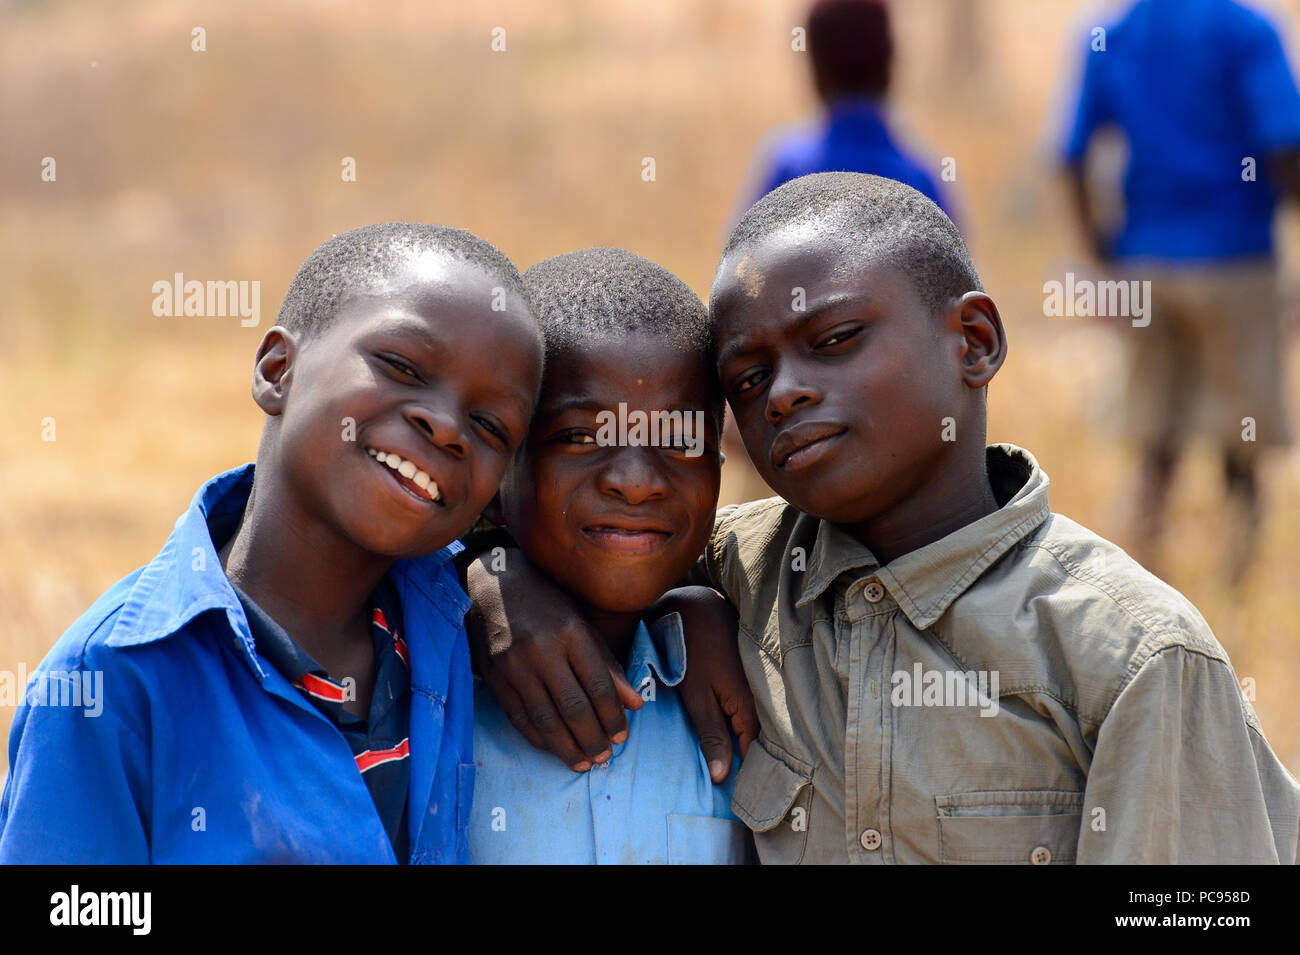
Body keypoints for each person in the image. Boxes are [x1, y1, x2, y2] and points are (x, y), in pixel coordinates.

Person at [466, 174, 1300, 863]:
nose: (785, 390)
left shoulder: (1129, 655)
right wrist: (496, 578)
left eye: (833, 340)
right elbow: (579, 533)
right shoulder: (737, 569)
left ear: (972, 341)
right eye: (749, 379)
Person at [0, 223, 544, 863]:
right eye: (401, 366)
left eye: (489, 426)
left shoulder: (460, 622)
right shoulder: (115, 679)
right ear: (277, 369)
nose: (447, 426)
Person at [467, 248, 751, 864]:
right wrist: (480, 572)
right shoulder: (424, 676)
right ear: (493, 479)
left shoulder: (753, 672)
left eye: (678, 440)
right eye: (580, 436)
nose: (635, 480)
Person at [1059, 0, 1300, 581]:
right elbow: (1286, 145)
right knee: (1240, 435)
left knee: (1153, 435)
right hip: (1235, 257)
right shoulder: (1246, 29)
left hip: (1144, 259)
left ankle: (1141, 574)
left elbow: (1070, 154)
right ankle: (1237, 579)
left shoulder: (1110, 31)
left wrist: (1100, 253)